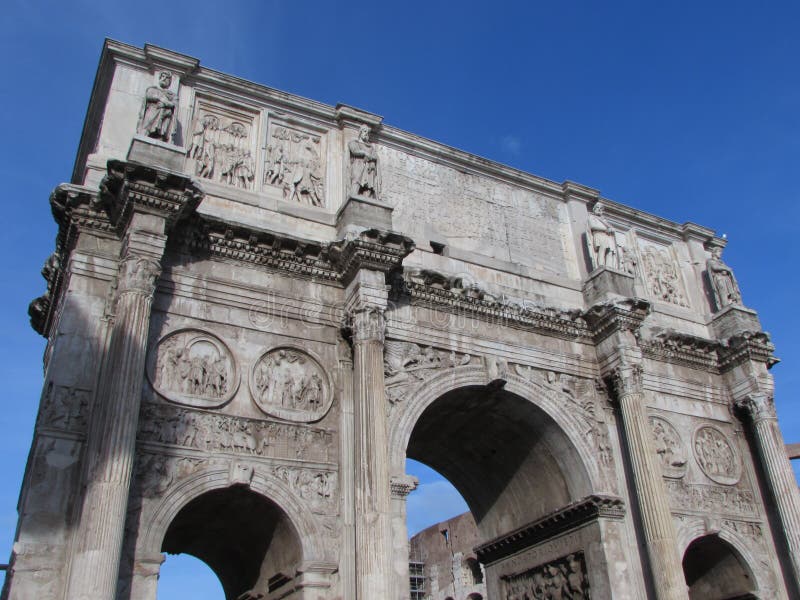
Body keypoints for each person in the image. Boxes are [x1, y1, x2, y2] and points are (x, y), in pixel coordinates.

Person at [137, 71, 176, 142]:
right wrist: (160, 99)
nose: (164, 79)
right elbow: (149, 96)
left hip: (164, 115)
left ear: (169, 82)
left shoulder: (172, 95)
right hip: (152, 111)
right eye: (163, 76)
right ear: (160, 78)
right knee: (147, 127)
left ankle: (160, 136)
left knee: (161, 131)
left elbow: (173, 104)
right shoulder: (152, 89)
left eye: (167, 78)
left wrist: (164, 103)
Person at [348, 124, 379, 198]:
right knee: (356, 181)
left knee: (368, 186)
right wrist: (365, 153)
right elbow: (354, 150)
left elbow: (375, 157)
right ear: (360, 132)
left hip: (369, 168)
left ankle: (367, 198)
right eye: (365, 131)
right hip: (358, 165)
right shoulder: (354, 142)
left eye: (367, 133)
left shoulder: (371, 147)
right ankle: (353, 197)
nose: (366, 134)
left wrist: (372, 161)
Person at [706, 246, 742, 310]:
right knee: (723, 291)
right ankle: (725, 305)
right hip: (719, 278)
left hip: (726, 278)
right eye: (719, 252)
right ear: (714, 253)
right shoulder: (710, 261)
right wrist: (726, 268)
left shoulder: (721, 262)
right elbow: (714, 267)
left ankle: (731, 301)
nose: (720, 254)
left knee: (730, 291)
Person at [587, 204, 619, 270]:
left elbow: (611, 228)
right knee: (602, 249)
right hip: (598, 234)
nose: (599, 209)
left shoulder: (604, 220)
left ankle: (609, 267)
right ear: (594, 209)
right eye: (597, 208)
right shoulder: (592, 217)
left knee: (610, 251)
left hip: (606, 236)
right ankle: (600, 265)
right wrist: (606, 229)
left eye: (601, 209)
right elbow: (592, 226)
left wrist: (611, 229)